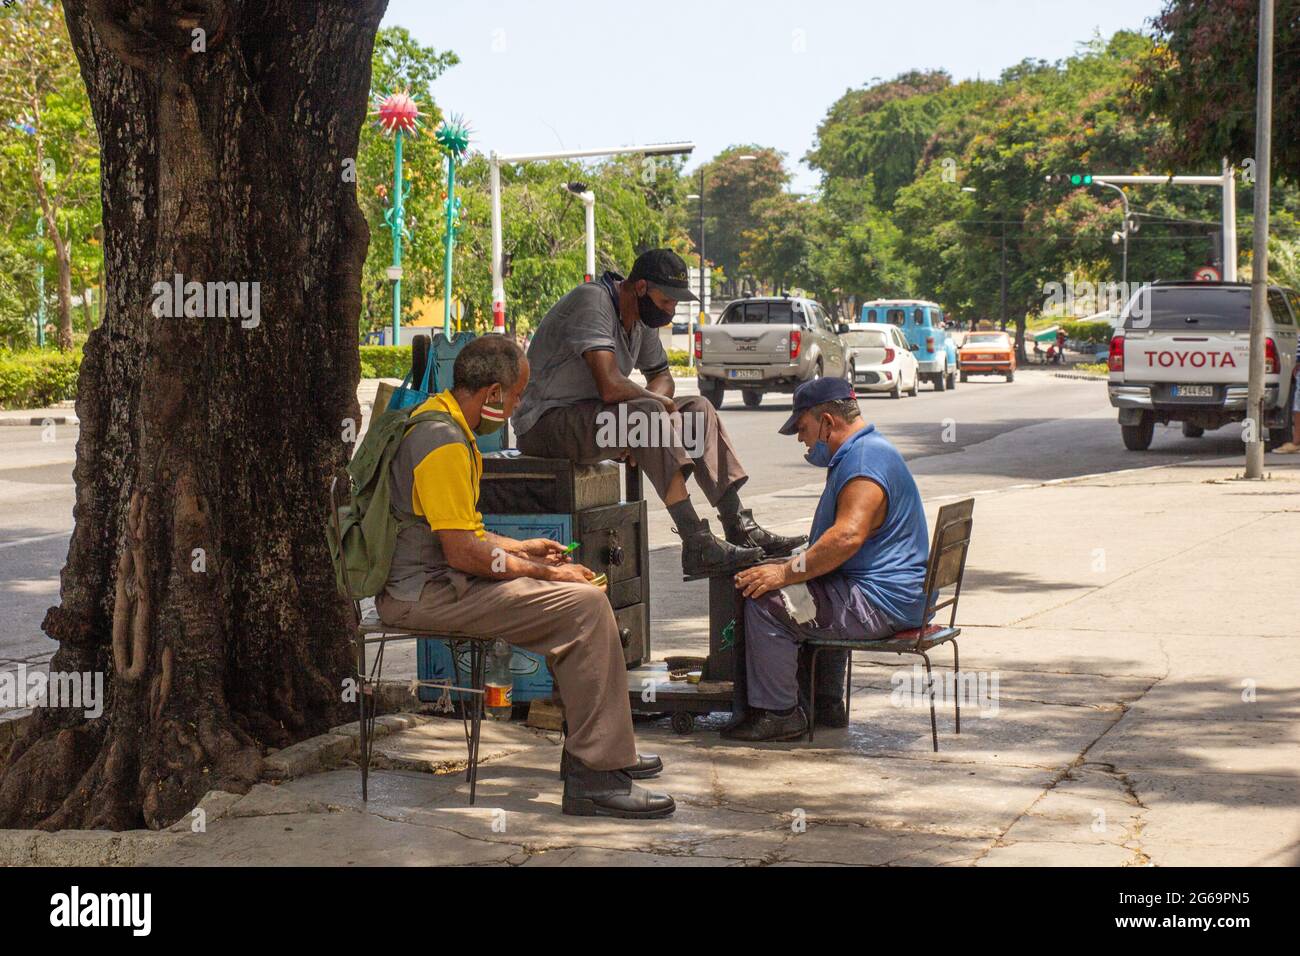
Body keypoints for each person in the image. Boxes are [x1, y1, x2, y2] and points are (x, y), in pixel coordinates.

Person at [375, 335, 675, 819]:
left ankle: (595, 748)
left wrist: (522, 549)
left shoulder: (444, 423)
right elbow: (463, 553)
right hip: (425, 594)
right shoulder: (442, 441)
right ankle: (596, 775)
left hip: (436, 582)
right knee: (583, 606)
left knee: (574, 595)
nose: (518, 407)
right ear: (493, 393)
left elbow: (460, 532)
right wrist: (539, 572)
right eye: (517, 396)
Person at [513, 248, 805, 577]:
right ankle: (696, 541)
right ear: (639, 288)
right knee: (647, 415)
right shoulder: (592, 302)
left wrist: (656, 413)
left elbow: (662, 376)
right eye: (667, 301)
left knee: (698, 409)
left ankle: (738, 524)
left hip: (595, 418)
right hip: (547, 422)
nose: (671, 310)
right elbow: (610, 385)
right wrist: (652, 414)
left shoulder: (641, 319)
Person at [721, 378, 930, 741]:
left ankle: (780, 713)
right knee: (816, 588)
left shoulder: (864, 460)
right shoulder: (867, 451)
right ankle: (825, 703)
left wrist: (785, 573)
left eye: (803, 429)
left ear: (828, 422)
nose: (802, 441)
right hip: (893, 596)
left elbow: (847, 536)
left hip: (879, 603)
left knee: (767, 600)